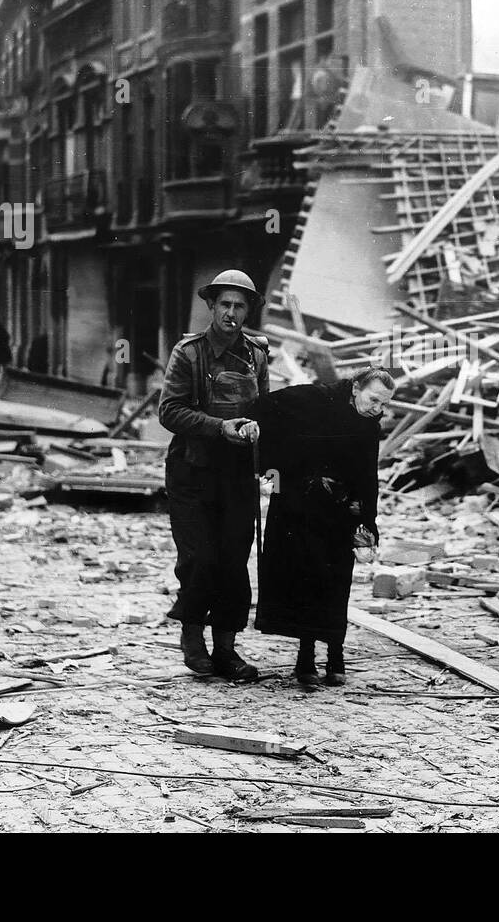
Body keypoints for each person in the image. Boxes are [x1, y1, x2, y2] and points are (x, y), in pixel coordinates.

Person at [251, 366, 395, 687]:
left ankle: (335, 653)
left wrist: (368, 520)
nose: (377, 408)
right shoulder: (315, 398)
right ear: (355, 388)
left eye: (383, 404)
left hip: (339, 513)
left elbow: (368, 475)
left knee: (334, 581)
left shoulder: (369, 425)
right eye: (373, 399)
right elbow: (264, 408)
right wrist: (277, 470)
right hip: (298, 508)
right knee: (304, 578)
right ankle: (305, 658)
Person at [157, 270, 269, 680]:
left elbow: (265, 410)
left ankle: (226, 648)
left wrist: (257, 429)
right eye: (225, 304)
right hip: (192, 470)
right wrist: (217, 427)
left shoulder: (256, 355)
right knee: (199, 558)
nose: (232, 313)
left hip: (238, 473)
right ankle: (192, 638)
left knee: (234, 562)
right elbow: (169, 411)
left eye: (240, 306)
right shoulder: (189, 353)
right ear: (212, 306)